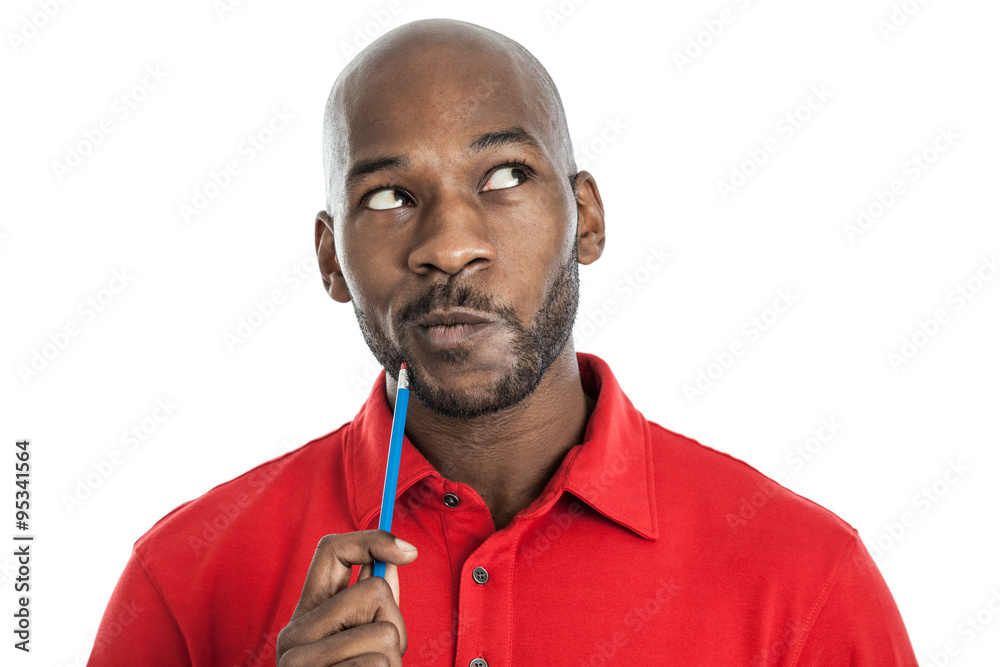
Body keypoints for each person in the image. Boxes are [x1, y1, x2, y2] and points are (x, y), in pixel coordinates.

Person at [89, 18, 919, 666]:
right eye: (386, 197)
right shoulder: (183, 578)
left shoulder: (805, 576)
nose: (448, 244)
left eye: (505, 178)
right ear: (328, 258)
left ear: (586, 218)